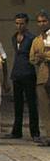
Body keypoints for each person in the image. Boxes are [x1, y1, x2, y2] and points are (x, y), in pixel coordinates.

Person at [10, 12, 39, 141]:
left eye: (21, 23)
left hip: (28, 73)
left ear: (26, 24)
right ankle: (17, 131)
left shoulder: (32, 38)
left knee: (31, 104)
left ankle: (35, 132)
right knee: (17, 104)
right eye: (17, 23)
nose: (19, 26)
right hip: (17, 73)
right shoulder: (14, 37)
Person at [28, 11, 50, 147]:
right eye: (39, 21)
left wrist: (45, 56)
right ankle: (48, 135)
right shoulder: (37, 40)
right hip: (42, 77)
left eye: (44, 21)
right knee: (44, 108)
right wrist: (41, 57)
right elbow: (32, 58)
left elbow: (42, 55)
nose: (42, 24)